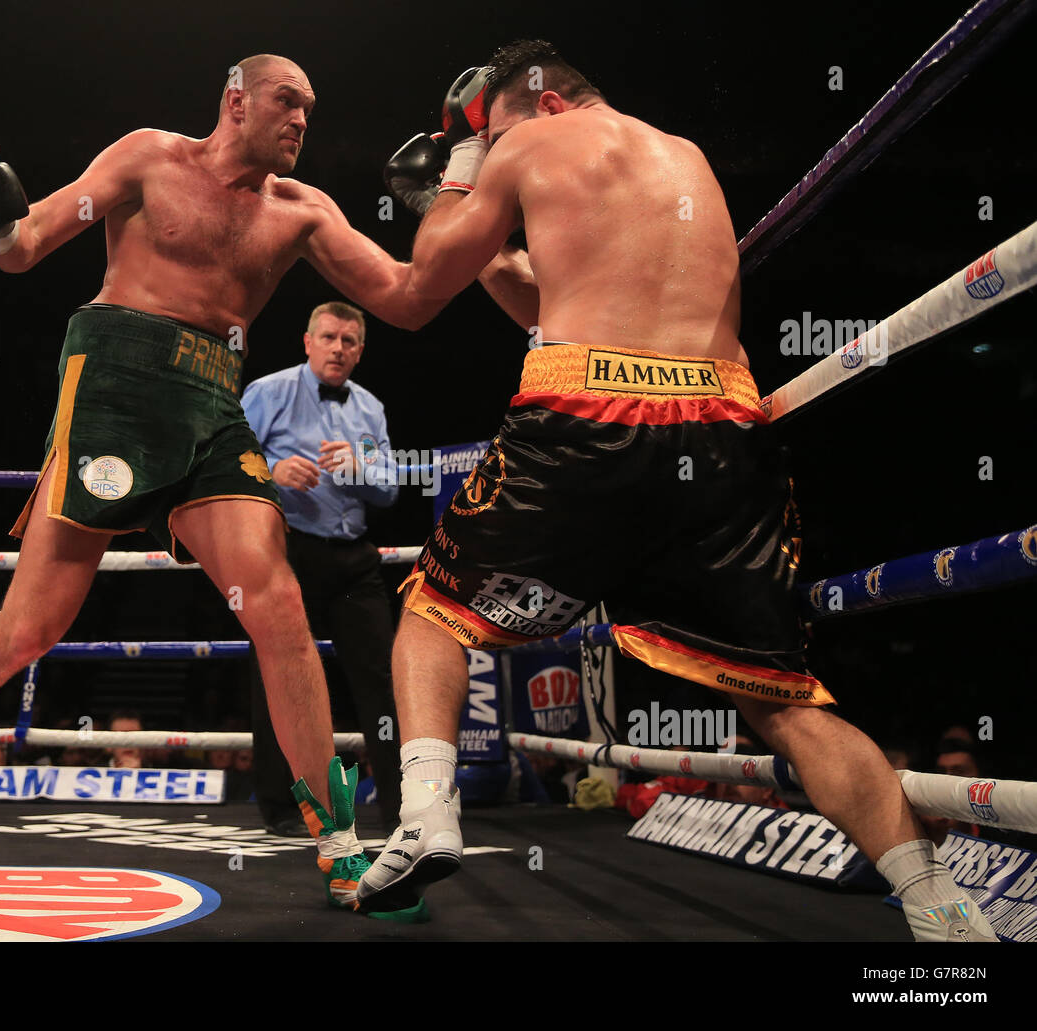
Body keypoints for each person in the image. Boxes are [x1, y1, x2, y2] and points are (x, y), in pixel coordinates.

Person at [355, 41, 997, 941]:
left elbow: (424, 284)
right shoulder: (683, 158)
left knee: (435, 609)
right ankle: (940, 908)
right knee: (782, 699)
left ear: (540, 106)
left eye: (495, 132)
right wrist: (497, 243)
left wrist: (456, 175)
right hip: (721, 426)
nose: (492, 150)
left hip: (589, 415)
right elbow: (550, 297)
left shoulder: (526, 147)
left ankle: (425, 817)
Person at [0, 54, 464, 920]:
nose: (303, 119)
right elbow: (27, 244)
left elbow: (408, 298)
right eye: (286, 101)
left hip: (213, 397)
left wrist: (455, 199)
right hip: (115, 375)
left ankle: (337, 841)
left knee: (278, 604)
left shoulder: (303, 212)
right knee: (34, 627)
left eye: (311, 109)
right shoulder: (149, 157)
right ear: (235, 99)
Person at [241, 301, 402, 835]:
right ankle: (285, 809)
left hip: (354, 557)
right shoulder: (268, 392)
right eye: (329, 337)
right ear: (307, 341)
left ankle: (404, 812)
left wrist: (359, 468)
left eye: (349, 341)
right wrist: (272, 470)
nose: (338, 348)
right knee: (281, 675)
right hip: (287, 556)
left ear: (360, 350)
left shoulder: (372, 408)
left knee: (383, 678)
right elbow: (223, 464)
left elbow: (389, 490)